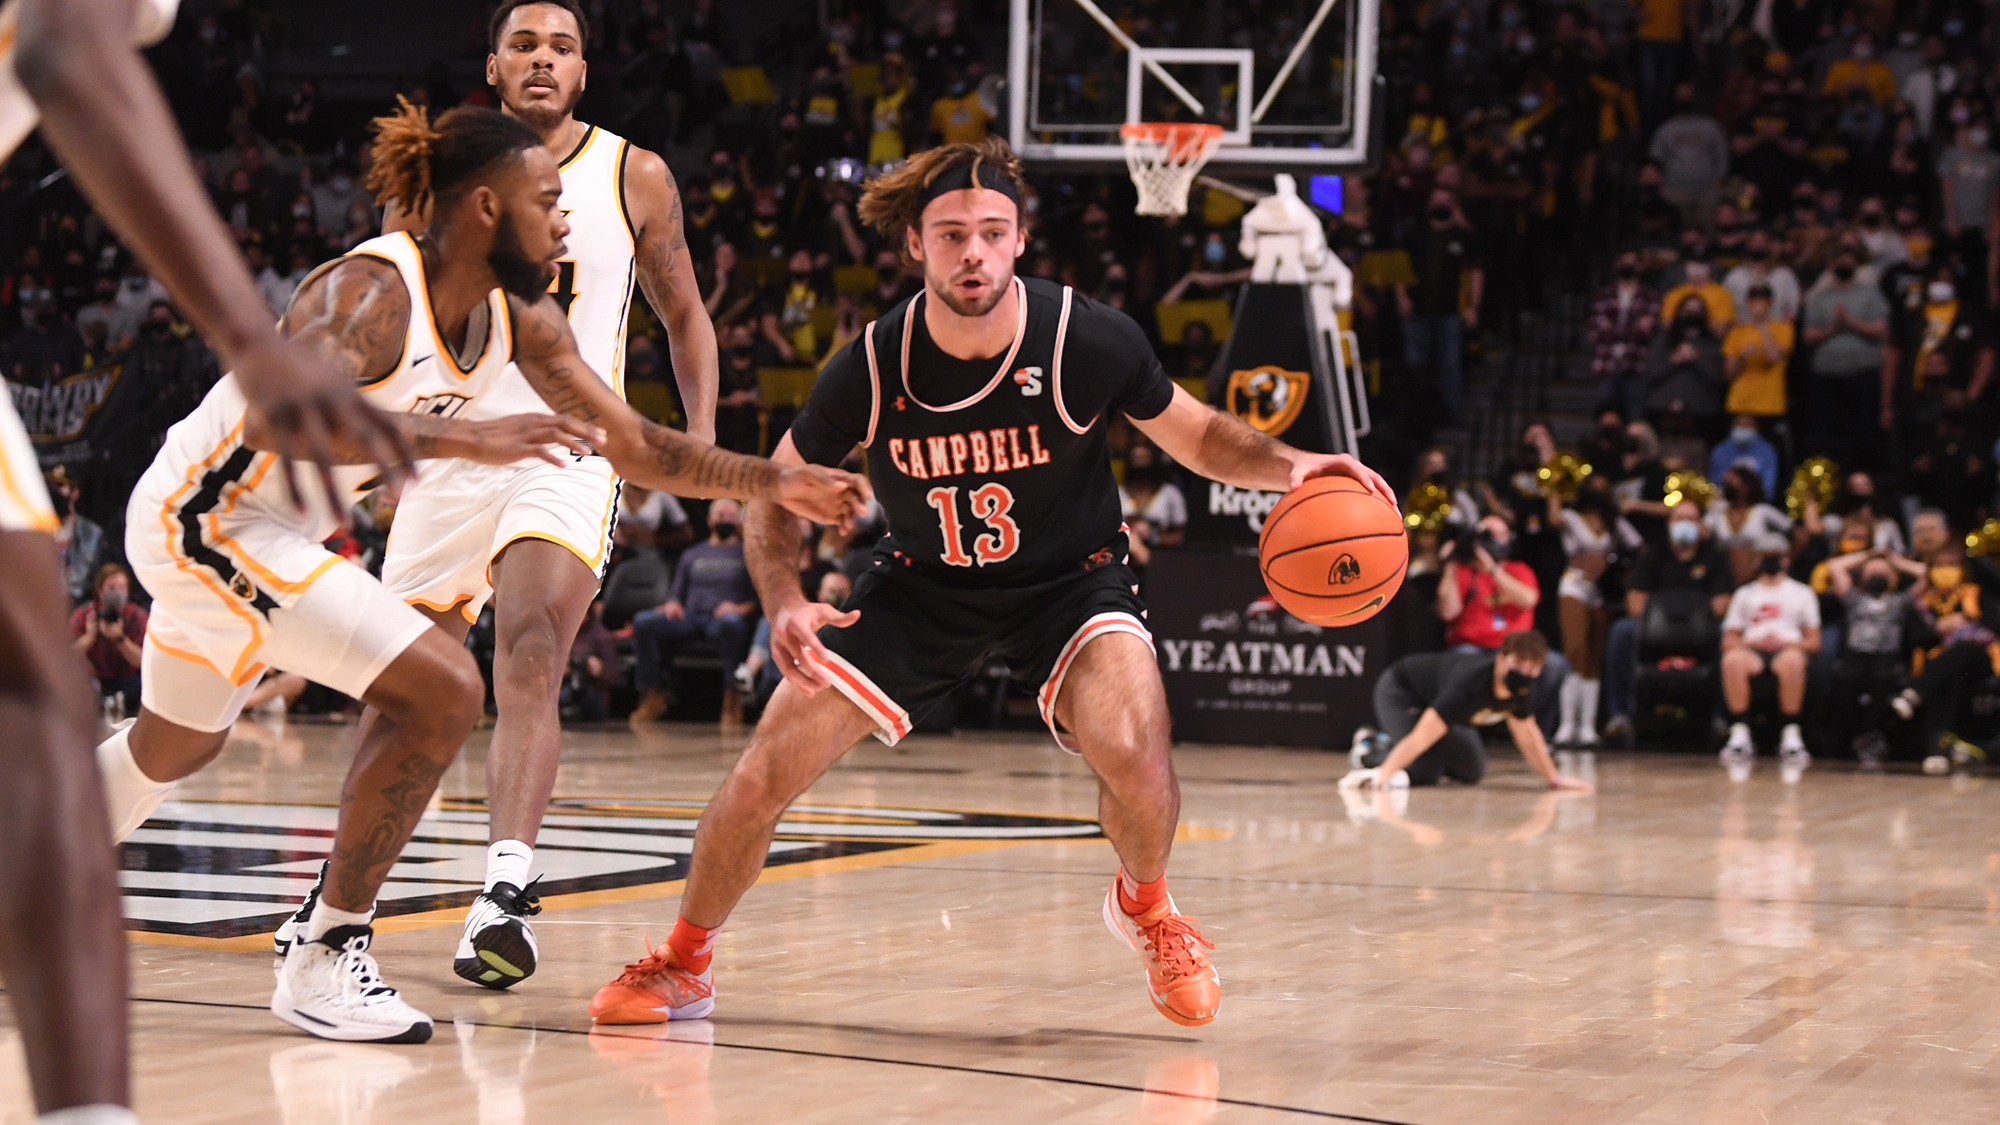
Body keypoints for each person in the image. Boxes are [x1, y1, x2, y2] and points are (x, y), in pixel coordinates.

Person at [585, 136, 1396, 1031]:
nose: (972, 251)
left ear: (1019, 241)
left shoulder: (1085, 335)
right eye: (951, 234)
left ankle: (1149, 909)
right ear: (917, 246)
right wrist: (783, 600)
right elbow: (773, 495)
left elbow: (1200, 435)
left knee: (1138, 750)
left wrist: (1292, 467)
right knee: (759, 773)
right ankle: (683, 963)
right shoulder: (873, 362)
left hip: (1072, 583)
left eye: (991, 232)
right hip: (922, 583)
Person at [99, 102, 866, 1038]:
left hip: (264, 536)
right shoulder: (371, 292)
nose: (566, 220)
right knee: (442, 687)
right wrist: (474, 436)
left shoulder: (523, 318)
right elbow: (281, 419)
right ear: (489, 209)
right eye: (548, 202)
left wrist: (770, 479)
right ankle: (325, 950)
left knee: (168, 751)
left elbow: (632, 444)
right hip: (208, 521)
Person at [0, 1, 422, 1120]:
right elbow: (64, 50)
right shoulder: (375, 288)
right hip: (208, 520)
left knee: (88, 729)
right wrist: (248, 336)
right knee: (40, 711)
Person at [372, 0, 728, 992]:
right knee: (405, 693)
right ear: (492, 66)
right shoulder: (438, 167)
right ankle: (340, 915)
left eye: (560, 46)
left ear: (583, 70)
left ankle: (505, 894)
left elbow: (686, 316)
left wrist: (697, 448)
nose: (541, 59)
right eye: (523, 44)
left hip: (571, 446)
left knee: (530, 650)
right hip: (450, 448)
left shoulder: (633, 174)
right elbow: (389, 308)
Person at [1343, 631, 1594, 790]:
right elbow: (1422, 736)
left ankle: (1396, 749)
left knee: (1472, 771)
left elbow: (1528, 734)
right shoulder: (1468, 686)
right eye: (1518, 663)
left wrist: (1554, 780)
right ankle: (1369, 750)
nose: (1524, 673)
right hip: (1403, 691)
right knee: (1424, 769)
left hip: (1442, 710)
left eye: (1533, 668)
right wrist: (1384, 775)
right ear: (1501, 659)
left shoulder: (1522, 691)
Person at [1601, 500, 1734, 741]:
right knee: (1622, 631)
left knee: (1728, 635)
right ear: (1669, 524)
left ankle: (1720, 719)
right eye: (1679, 519)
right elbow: (1635, 604)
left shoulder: (1714, 559)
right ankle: (1620, 715)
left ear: (1701, 525)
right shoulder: (1653, 557)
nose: (1685, 524)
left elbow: (1722, 605)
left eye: (1691, 519)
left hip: (1702, 633)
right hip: (1655, 633)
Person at [630, 499, 758, 724]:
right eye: (720, 515)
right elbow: (676, 594)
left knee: (733, 624)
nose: (724, 520)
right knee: (644, 621)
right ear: (709, 520)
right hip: (690, 618)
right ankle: (652, 695)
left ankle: (732, 700)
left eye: (730, 516)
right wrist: (673, 604)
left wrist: (737, 608)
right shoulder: (692, 554)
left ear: (738, 521)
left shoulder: (747, 555)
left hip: (723, 620)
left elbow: (756, 602)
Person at [1718, 550, 1822, 782]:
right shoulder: (1745, 593)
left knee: (1792, 661)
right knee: (1732, 659)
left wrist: (1785, 642)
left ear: (1787, 559)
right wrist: (1752, 641)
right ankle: (1740, 732)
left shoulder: (1802, 592)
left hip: (1789, 647)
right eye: (1766, 555)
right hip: (1752, 648)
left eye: (1777, 555)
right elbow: (1728, 640)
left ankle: (1791, 733)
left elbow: (1815, 642)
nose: (1771, 561)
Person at [1549, 489, 1640, 746]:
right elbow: (1553, 519)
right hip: (1574, 585)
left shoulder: (1614, 523)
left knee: (1594, 657)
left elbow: (1637, 545)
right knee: (1574, 651)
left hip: (1600, 592)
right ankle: (1567, 724)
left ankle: (1587, 726)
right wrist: (1555, 485)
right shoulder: (1572, 517)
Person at [1826, 548, 1926, 766]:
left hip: (1886, 658)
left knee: (1883, 681)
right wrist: (1868, 555)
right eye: (1872, 573)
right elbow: (1834, 566)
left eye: (1883, 573)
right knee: (1846, 682)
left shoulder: (1900, 601)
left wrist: (1897, 562)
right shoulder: (1854, 598)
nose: (1878, 577)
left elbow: (1929, 574)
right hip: (1856, 657)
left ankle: (1873, 736)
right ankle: (1852, 737)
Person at [1395, 188, 1482, 422]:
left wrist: (1473, 305)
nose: (1441, 205)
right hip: (1417, 309)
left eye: (1447, 201)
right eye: (1437, 200)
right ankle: (1415, 415)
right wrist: (1402, 297)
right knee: (1415, 364)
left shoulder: (1463, 236)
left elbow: (1475, 272)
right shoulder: (1415, 233)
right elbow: (1401, 269)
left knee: (1450, 364)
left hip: (1450, 310)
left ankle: (1453, 414)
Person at [1802, 245, 1892, 469]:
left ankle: (1862, 476)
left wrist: (1850, 322)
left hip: (1862, 374)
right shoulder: (1821, 297)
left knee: (1863, 433)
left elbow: (1882, 329)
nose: (1845, 264)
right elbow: (1808, 335)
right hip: (1826, 377)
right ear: (1832, 265)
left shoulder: (1869, 294)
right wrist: (1832, 328)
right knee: (1827, 435)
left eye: (1850, 260)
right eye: (1840, 260)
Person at [67, 563, 146, 716]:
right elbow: (65, 659)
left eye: (121, 588)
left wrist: (120, 639)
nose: (117, 593)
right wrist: (88, 638)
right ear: (100, 590)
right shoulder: (85, 614)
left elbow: (143, 660)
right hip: (95, 680)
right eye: (111, 588)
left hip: (129, 681)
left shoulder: (137, 615)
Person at [1590, 250, 1660, 420]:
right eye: (1624, 261)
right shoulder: (1604, 295)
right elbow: (1598, 331)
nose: (1628, 266)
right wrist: (1633, 328)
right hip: (1606, 365)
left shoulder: (1649, 296)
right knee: (1606, 415)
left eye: (1633, 262)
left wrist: (1614, 328)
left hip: (1636, 366)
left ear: (1640, 266)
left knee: (1635, 416)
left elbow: (1647, 332)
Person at [1721, 285, 1795, 422]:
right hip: (1741, 404)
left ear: (1771, 303)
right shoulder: (1737, 332)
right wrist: (1742, 357)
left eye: (1763, 300)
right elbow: (1729, 374)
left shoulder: (1783, 329)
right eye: (1754, 300)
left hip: (1770, 404)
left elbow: (1774, 358)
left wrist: (1762, 327)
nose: (1758, 305)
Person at [1708, 415, 1780, 499]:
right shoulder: (1720, 451)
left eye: (1747, 426)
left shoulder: (1767, 451)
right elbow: (1714, 483)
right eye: (1740, 425)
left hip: (1757, 501)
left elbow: (1768, 486)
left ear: (1756, 428)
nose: (1743, 429)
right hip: (1725, 500)